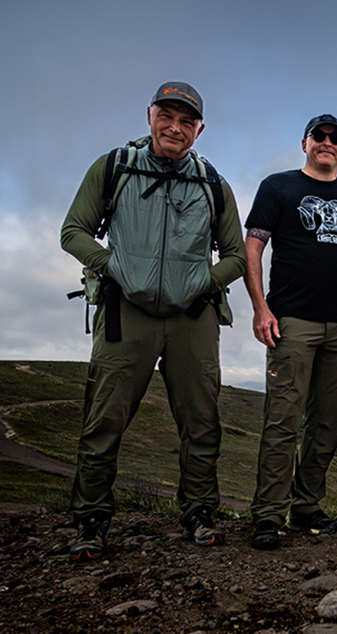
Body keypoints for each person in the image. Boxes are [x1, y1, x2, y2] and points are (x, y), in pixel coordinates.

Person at [60, 81, 245, 560]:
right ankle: (91, 521)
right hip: (126, 312)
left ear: (199, 129)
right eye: (167, 117)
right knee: (104, 418)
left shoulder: (213, 185)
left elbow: (237, 256)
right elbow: (73, 231)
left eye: (186, 121)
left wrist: (202, 283)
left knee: (202, 420)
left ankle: (199, 514)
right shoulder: (115, 168)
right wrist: (112, 267)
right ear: (149, 116)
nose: (175, 128)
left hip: (192, 317)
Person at [244, 115, 337, 550]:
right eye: (318, 136)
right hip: (291, 321)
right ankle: (268, 514)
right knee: (283, 420)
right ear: (304, 143)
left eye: (334, 137)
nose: (326, 142)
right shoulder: (278, 187)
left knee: (329, 422)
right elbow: (253, 247)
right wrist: (260, 307)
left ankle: (306, 507)